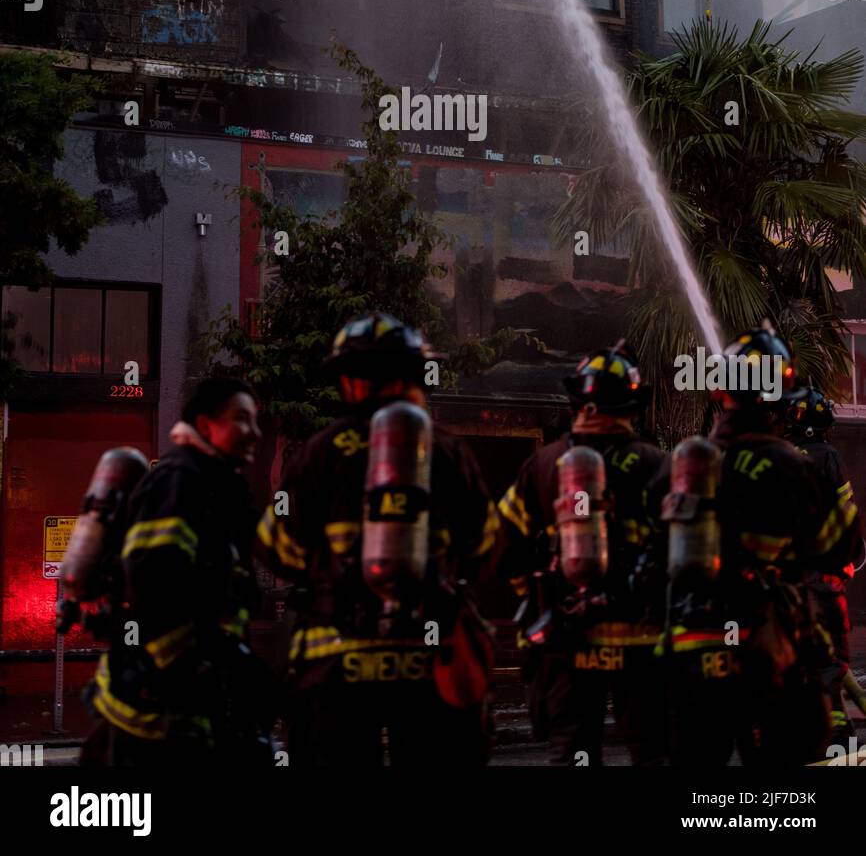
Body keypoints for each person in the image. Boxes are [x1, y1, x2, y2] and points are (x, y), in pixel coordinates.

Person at [256, 312, 499, 767]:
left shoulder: (319, 452)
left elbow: (275, 546)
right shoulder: (448, 452)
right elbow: (485, 548)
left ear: (350, 383)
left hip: (334, 665)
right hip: (430, 661)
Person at [661, 325, 861, 767]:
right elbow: (837, 547)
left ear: (719, 392)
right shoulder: (791, 465)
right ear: (779, 396)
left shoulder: (684, 462)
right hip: (763, 649)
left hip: (691, 647)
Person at [82, 375, 274, 765]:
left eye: (255, 420)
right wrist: (199, 669)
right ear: (205, 426)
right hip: (156, 707)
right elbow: (151, 582)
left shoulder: (218, 485)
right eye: (242, 419)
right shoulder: (181, 480)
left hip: (178, 703)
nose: (254, 432)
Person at [498, 344, 667, 766]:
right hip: (644, 644)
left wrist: (538, 597)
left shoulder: (544, 463)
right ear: (633, 405)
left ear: (576, 401)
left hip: (566, 639)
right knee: (653, 751)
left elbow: (504, 545)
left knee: (573, 752)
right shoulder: (657, 465)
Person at [778, 385, 864, 743]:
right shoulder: (828, 457)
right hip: (823, 580)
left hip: (783, 584)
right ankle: (839, 741)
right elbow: (846, 512)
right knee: (830, 661)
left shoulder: (780, 456)